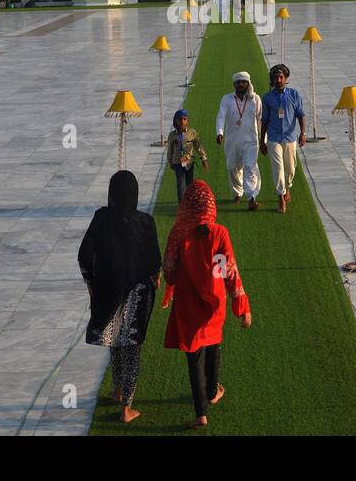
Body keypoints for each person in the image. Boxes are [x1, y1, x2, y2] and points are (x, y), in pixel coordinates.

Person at [162, 181, 251, 428]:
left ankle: (200, 413)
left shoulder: (178, 231)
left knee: (194, 356)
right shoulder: (219, 233)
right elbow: (228, 272)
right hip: (214, 303)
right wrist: (242, 306)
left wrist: (174, 281)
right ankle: (213, 391)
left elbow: (168, 267)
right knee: (213, 344)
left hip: (187, 304)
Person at [78, 171, 161, 424]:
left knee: (114, 341)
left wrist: (91, 284)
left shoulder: (101, 218)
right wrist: (154, 281)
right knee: (132, 347)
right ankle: (126, 407)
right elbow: (155, 260)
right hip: (137, 293)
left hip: (107, 291)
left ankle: (117, 389)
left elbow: (84, 256)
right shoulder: (145, 222)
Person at [259, 63, 306, 214]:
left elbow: (301, 115)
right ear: (272, 80)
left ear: (286, 79)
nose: (278, 80)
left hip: (290, 137)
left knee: (291, 169)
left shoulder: (294, 94)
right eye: (276, 78)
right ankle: (280, 197)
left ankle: (287, 187)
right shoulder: (267, 98)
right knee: (278, 169)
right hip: (273, 138)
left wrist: (303, 133)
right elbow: (264, 120)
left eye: (281, 77)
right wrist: (262, 141)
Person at [215, 71, 262, 209]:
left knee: (250, 168)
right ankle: (238, 192)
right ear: (234, 84)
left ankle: (251, 197)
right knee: (233, 168)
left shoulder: (255, 99)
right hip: (232, 140)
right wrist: (219, 132)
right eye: (238, 82)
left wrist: (263, 138)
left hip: (251, 141)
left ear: (248, 84)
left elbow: (261, 118)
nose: (241, 84)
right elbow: (220, 117)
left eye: (244, 82)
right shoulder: (227, 99)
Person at [166, 109, 208, 203]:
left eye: (184, 119)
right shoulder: (172, 135)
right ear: (176, 120)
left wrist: (204, 159)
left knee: (190, 183)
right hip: (177, 163)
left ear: (187, 121)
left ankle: (190, 203)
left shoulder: (192, 133)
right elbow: (170, 150)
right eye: (180, 119)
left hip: (189, 163)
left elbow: (198, 146)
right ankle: (182, 205)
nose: (182, 121)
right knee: (180, 184)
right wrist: (170, 162)